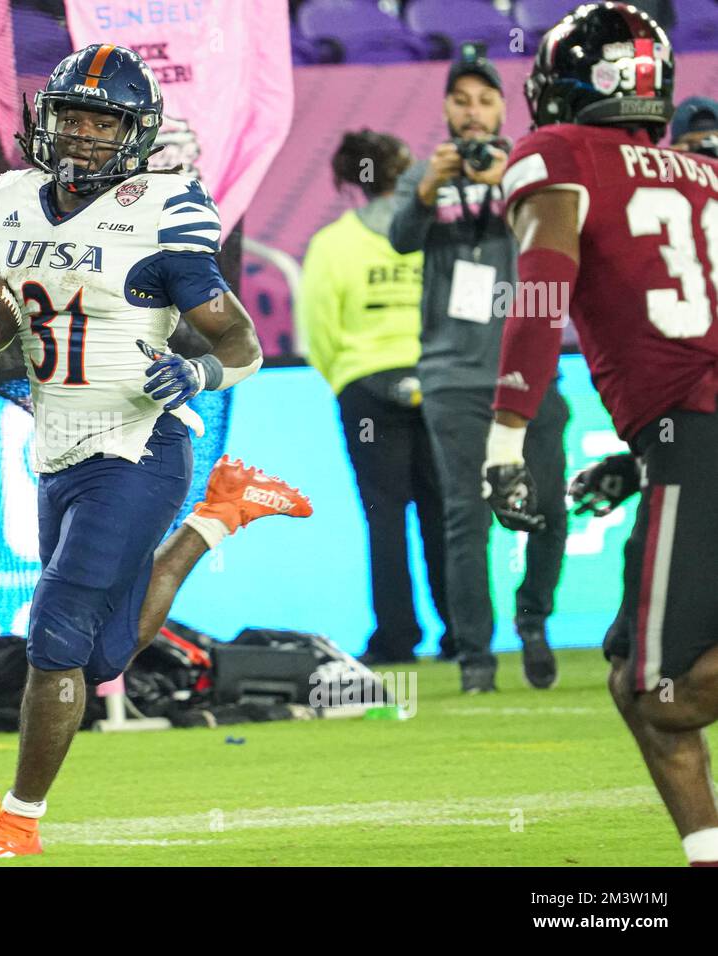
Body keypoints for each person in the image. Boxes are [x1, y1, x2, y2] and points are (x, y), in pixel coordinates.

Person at [0, 45, 312, 859]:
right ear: (46, 121)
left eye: (104, 121)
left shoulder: (164, 210)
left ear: (135, 133)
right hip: (55, 442)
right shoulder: (8, 202)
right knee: (98, 656)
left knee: (55, 629)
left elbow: (243, 347)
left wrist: (195, 370)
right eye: (73, 117)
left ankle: (16, 821)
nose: (86, 136)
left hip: (139, 445)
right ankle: (220, 517)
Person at [486, 3, 718, 867]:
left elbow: (543, 293)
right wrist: (640, 456)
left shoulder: (561, 155)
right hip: (686, 434)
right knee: (632, 666)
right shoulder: (704, 173)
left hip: (696, 432)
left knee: (663, 693)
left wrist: (506, 434)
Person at [388, 46, 567, 693]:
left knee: (547, 508)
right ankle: (475, 663)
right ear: (446, 108)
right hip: (452, 375)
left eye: (485, 100)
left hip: (531, 368)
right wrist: (432, 188)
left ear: (502, 109)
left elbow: (561, 232)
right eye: (461, 100)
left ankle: (534, 617)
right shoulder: (423, 172)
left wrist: (507, 182)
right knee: (466, 518)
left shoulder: (530, 168)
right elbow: (401, 238)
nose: (472, 112)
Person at [299, 130, 451, 665]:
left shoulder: (332, 244)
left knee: (384, 517)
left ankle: (396, 638)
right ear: (406, 168)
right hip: (438, 381)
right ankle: (462, 633)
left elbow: (318, 329)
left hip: (367, 387)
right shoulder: (435, 233)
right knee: (444, 513)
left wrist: (348, 377)